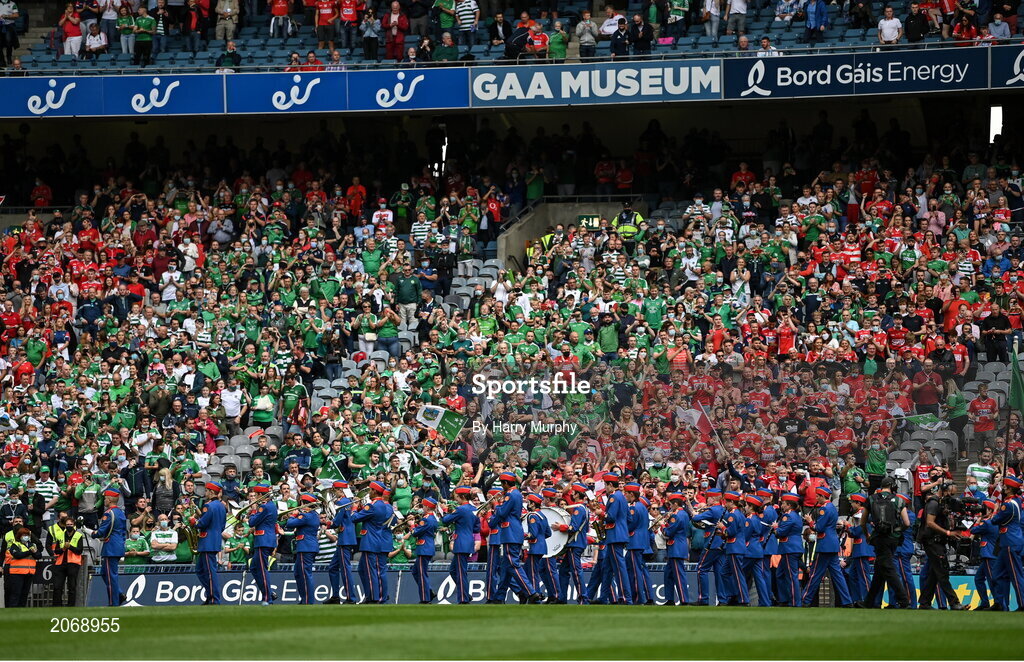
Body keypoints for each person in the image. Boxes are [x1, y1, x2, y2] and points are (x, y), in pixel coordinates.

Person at [858, 479, 910, 608]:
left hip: (878, 538)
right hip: (892, 538)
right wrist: (897, 532)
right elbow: (907, 523)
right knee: (879, 571)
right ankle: (868, 602)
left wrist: (867, 535)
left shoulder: (871, 499)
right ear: (892, 486)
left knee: (888, 568)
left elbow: (863, 522)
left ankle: (904, 601)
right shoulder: (899, 500)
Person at [917, 477, 967, 609]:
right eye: (950, 493)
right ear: (943, 490)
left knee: (934, 574)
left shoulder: (942, 503)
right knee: (942, 572)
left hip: (938, 541)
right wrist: (948, 533)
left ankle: (924, 603)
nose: (951, 496)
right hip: (932, 542)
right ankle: (954, 602)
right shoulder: (933, 503)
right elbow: (929, 522)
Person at [491, 472, 541, 603]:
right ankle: (500, 597)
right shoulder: (517, 493)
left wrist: (497, 505)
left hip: (510, 532)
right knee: (505, 568)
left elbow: (502, 512)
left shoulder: (510, 494)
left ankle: (531, 591)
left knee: (513, 564)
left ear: (506, 483)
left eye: (502, 484)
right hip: (514, 531)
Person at [801, 486, 853, 607]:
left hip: (824, 545)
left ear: (823, 496)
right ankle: (847, 601)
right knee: (838, 575)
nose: (816, 498)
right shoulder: (832, 508)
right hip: (832, 544)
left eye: (818, 496)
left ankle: (805, 599)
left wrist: (810, 521)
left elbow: (818, 528)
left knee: (815, 573)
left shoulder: (824, 509)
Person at [351, 480, 394, 603]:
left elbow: (354, 518)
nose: (369, 492)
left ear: (375, 491)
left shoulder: (373, 505)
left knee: (374, 571)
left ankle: (377, 597)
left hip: (371, 541)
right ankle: (371, 595)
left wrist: (354, 507)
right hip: (376, 540)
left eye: (370, 490)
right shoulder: (384, 506)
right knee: (364, 570)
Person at [989, 474, 1024, 611]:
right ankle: (1000, 603)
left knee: (1015, 575)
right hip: (1008, 541)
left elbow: (995, 520)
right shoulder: (1016, 500)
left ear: (1009, 489)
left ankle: (1022, 603)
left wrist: (996, 511)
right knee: (997, 573)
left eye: (1004, 486)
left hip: (1010, 541)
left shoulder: (1008, 505)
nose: (1002, 488)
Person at [441, 486, 477, 604]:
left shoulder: (461, 509)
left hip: (461, 541)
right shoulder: (473, 508)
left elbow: (445, 520)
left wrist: (445, 511)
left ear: (462, 496)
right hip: (468, 540)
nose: (456, 500)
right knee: (453, 570)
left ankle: (463, 598)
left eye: (457, 497)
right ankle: (465, 593)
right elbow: (477, 528)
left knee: (461, 572)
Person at [193, 481, 226, 605]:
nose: (205, 493)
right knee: (200, 570)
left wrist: (193, 521)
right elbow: (222, 525)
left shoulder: (209, 506)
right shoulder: (222, 506)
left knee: (209, 572)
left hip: (207, 541)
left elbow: (202, 523)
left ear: (211, 492)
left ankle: (213, 598)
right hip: (214, 540)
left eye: (207, 491)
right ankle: (210, 595)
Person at [92, 488, 126, 607]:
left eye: (105, 498)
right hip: (118, 545)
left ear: (110, 499)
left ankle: (114, 602)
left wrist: (89, 532)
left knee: (111, 576)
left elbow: (100, 532)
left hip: (110, 547)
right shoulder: (120, 512)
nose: (104, 500)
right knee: (104, 573)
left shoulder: (108, 513)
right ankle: (119, 594)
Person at [286, 492, 321, 605]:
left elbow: (290, 523)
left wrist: (293, 515)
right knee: (298, 573)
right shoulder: (314, 514)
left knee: (305, 574)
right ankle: (304, 598)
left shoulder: (306, 515)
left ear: (303, 503)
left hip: (306, 546)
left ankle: (308, 600)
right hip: (307, 546)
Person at [247, 484, 278, 605]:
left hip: (263, 540)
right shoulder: (271, 505)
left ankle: (267, 598)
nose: (255, 497)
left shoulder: (263, 507)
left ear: (260, 495)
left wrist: (254, 510)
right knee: (254, 568)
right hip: (266, 540)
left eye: (256, 495)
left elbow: (252, 522)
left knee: (261, 569)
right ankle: (269, 593)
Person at [773, 492, 804, 607]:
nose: (782, 506)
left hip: (789, 548)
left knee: (791, 576)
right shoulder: (795, 515)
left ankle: (795, 602)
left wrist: (776, 528)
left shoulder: (788, 516)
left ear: (789, 505)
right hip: (791, 548)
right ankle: (784, 599)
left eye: (784, 504)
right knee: (780, 574)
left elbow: (781, 532)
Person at [48, 513, 84, 607]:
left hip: (73, 563)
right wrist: (63, 549)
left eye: (71, 525)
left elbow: (79, 550)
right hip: (60, 563)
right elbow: (56, 550)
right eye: (67, 524)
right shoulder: (60, 536)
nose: (69, 526)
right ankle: (57, 606)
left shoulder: (78, 536)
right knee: (57, 586)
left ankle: (71, 606)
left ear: (74, 525)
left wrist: (70, 547)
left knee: (71, 587)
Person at [407, 496, 439, 603]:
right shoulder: (432, 518)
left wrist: (411, 526)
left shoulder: (426, 519)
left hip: (424, 547)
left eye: (424, 506)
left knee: (421, 573)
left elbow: (415, 532)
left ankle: (425, 598)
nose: (423, 508)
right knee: (416, 571)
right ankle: (428, 591)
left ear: (427, 507)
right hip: (427, 547)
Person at [661, 492, 690, 606]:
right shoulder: (683, 513)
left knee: (679, 575)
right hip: (678, 546)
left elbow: (668, 532)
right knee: (668, 574)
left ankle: (684, 599)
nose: (670, 507)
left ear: (676, 504)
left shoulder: (676, 515)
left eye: (671, 504)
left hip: (676, 547)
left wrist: (663, 524)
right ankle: (670, 599)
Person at [623, 482, 651, 604]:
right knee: (638, 569)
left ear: (632, 494)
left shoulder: (633, 507)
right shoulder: (642, 507)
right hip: (641, 541)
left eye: (626, 493)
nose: (625, 496)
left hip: (635, 541)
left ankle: (639, 598)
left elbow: (631, 524)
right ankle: (645, 596)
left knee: (635, 572)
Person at [3, 525, 40, 607]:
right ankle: (13, 613)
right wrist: (30, 552)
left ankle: (21, 612)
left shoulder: (32, 545)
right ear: (19, 536)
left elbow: (38, 555)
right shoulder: (15, 545)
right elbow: (17, 555)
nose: (25, 537)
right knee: (15, 594)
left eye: (27, 535)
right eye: (23, 535)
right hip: (17, 573)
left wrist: (33, 551)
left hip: (29, 572)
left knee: (24, 594)